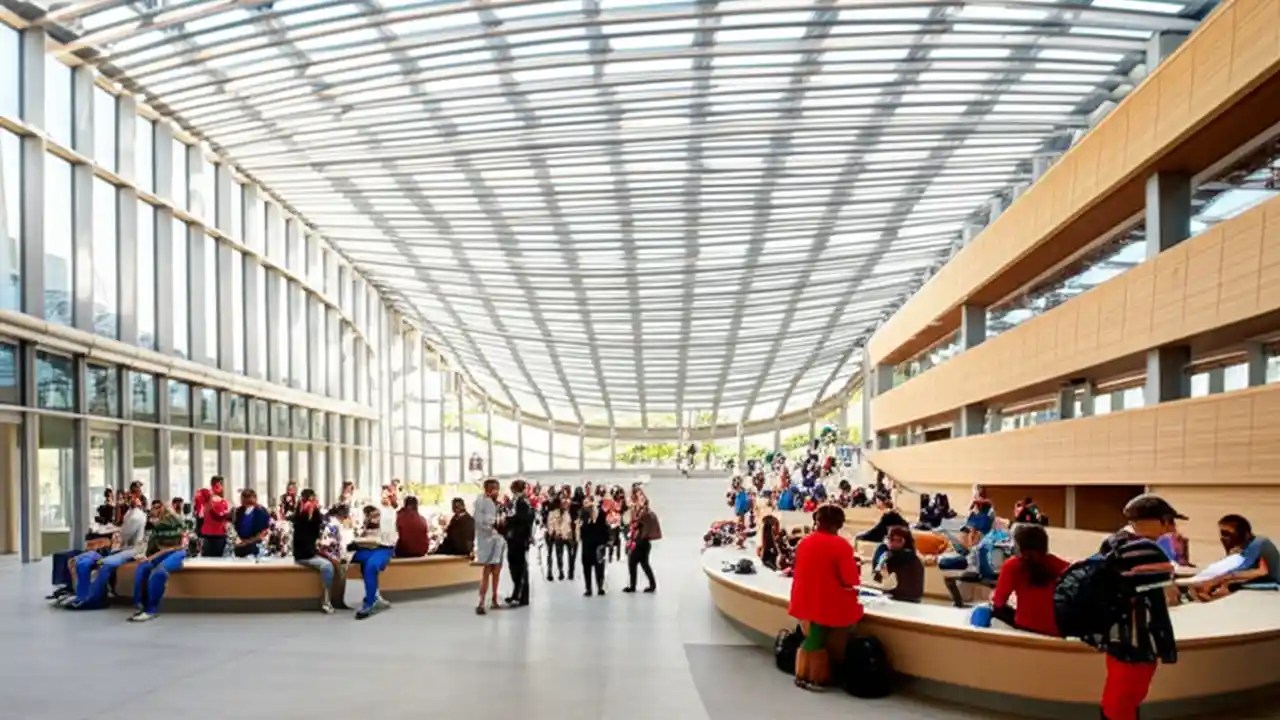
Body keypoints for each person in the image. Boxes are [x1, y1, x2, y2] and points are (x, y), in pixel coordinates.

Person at [1096, 495, 1181, 720]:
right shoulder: (1149, 552)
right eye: (1170, 521)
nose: (1171, 528)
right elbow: (1170, 598)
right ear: (1159, 520)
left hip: (1115, 637)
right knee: (1125, 701)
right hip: (1139, 641)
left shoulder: (1112, 543)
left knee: (1115, 698)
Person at [788, 505, 863, 691]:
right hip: (827, 601)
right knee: (816, 639)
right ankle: (813, 676)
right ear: (838, 523)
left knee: (813, 634)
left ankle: (804, 672)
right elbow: (850, 579)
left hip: (804, 598)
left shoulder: (804, 542)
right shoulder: (841, 546)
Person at [64, 495, 148, 609]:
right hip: (115, 550)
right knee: (83, 562)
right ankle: (81, 596)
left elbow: (125, 534)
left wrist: (118, 534)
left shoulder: (137, 516)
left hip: (130, 550)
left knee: (104, 564)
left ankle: (95, 599)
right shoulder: (129, 514)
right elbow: (122, 532)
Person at [990, 524, 1069, 635]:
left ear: (1019, 547)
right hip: (1057, 630)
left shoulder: (1012, 565)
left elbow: (999, 602)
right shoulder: (1063, 566)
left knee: (993, 611)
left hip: (1025, 626)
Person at [1190, 515, 1280, 601]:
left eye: (1227, 534)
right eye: (1222, 534)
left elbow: (1254, 571)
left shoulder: (1259, 543)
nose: (1223, 538)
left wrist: (1216, 581)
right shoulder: (1248, 547)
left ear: (1245, 534)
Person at [129, 505, 187, 622]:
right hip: (162, 553)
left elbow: (182, 546)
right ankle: (140, 605)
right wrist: (148, 557)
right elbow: (152, 549)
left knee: (159, 571)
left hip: (177, 553)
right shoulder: (157, 529)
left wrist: (158, 554)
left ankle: (151, 609)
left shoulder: (180, 524)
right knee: (143, 568)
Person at [290, 489, 343, 614]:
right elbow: (307, 546)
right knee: (327, 566)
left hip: (309, 551)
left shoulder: (311, 518)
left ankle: (336, 597)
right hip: (305, 554)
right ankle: (326, 601)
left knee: (337, 563)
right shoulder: (303, 519)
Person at [350, 505, 397, 620]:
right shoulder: (365, 522)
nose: (373, 518)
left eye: (376, 515)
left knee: (371, 565)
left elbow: (389, 540)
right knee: (351, 559)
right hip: (367, 548)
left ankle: (370, 602)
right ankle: (374, 596)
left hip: (383, 548)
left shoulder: (388, 518)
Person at [473, 479, 507, 614]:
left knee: (497, 571)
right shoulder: (480, 502)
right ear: (486, 489)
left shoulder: (499, 505)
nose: (495, 491)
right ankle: (481, 601)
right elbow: (479, 522)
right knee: (487, 571)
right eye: (493, 488)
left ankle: (494, 599)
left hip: (499, 541)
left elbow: (503, 520)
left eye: (497, 488)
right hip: (486, 541)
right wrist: (492, 525)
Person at [504, 479, 535, 607]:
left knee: (520, 567)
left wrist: (509, 519)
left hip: (519, 539)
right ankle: (517, 593)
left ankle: (522, 596)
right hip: (515, 538)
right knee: (515, 566)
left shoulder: (523, 502)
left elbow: (525, 519)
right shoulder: (515, 502)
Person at [876, 525, 925, 603]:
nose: (894, 543)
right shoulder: (888, 555)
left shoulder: (906, 557)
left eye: (899, 540)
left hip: (903, 600)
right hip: (901, 598)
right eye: (891, 539)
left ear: (906, 541)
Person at [623, 491, 659, 594]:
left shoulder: (645, 513)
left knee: (634, 562)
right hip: (640, 541)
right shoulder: (639, 511)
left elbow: (639, 525)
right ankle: (651, 585)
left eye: (641, 499)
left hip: (642, 542)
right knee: (643, 564)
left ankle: (634, 586)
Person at [579, 492, 610, 596]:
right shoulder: (584, 514)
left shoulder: (601, 514)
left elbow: (605, 529)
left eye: (587, 503)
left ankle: (600, 587)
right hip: (587, 545)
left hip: (598, 545)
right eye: (585, 503)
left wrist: (605, 542)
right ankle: (588, 588)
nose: (586, 505)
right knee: (586, 567)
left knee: (599, 567)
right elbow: (582, 529)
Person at [195, 476, 231, 558]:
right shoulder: (217, 501)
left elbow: (199, 515)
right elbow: (219, 516)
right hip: (216, 534)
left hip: (208, 533)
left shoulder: (204, 498)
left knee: (208, 559)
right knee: (216, 559)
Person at [232, 489, 271, 558]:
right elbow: (236, 525)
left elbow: (263, 531)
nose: (241, 500)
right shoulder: (239, 511)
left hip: (255, 544)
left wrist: (248, 542)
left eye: (243, 498)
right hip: (241, 544)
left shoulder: (260, 511)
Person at [545, 496, 573, 582]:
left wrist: (563, 534)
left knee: (559, 554)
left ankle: (561, 571)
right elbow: (549, 524)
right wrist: (553, 532)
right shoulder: (552, 513)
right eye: (563, 504)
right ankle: (549, 572)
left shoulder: (567, 514)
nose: (565, 506)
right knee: (550, 554)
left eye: (566, 505)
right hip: (551, 535)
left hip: (560, 536)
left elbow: (568, 526)